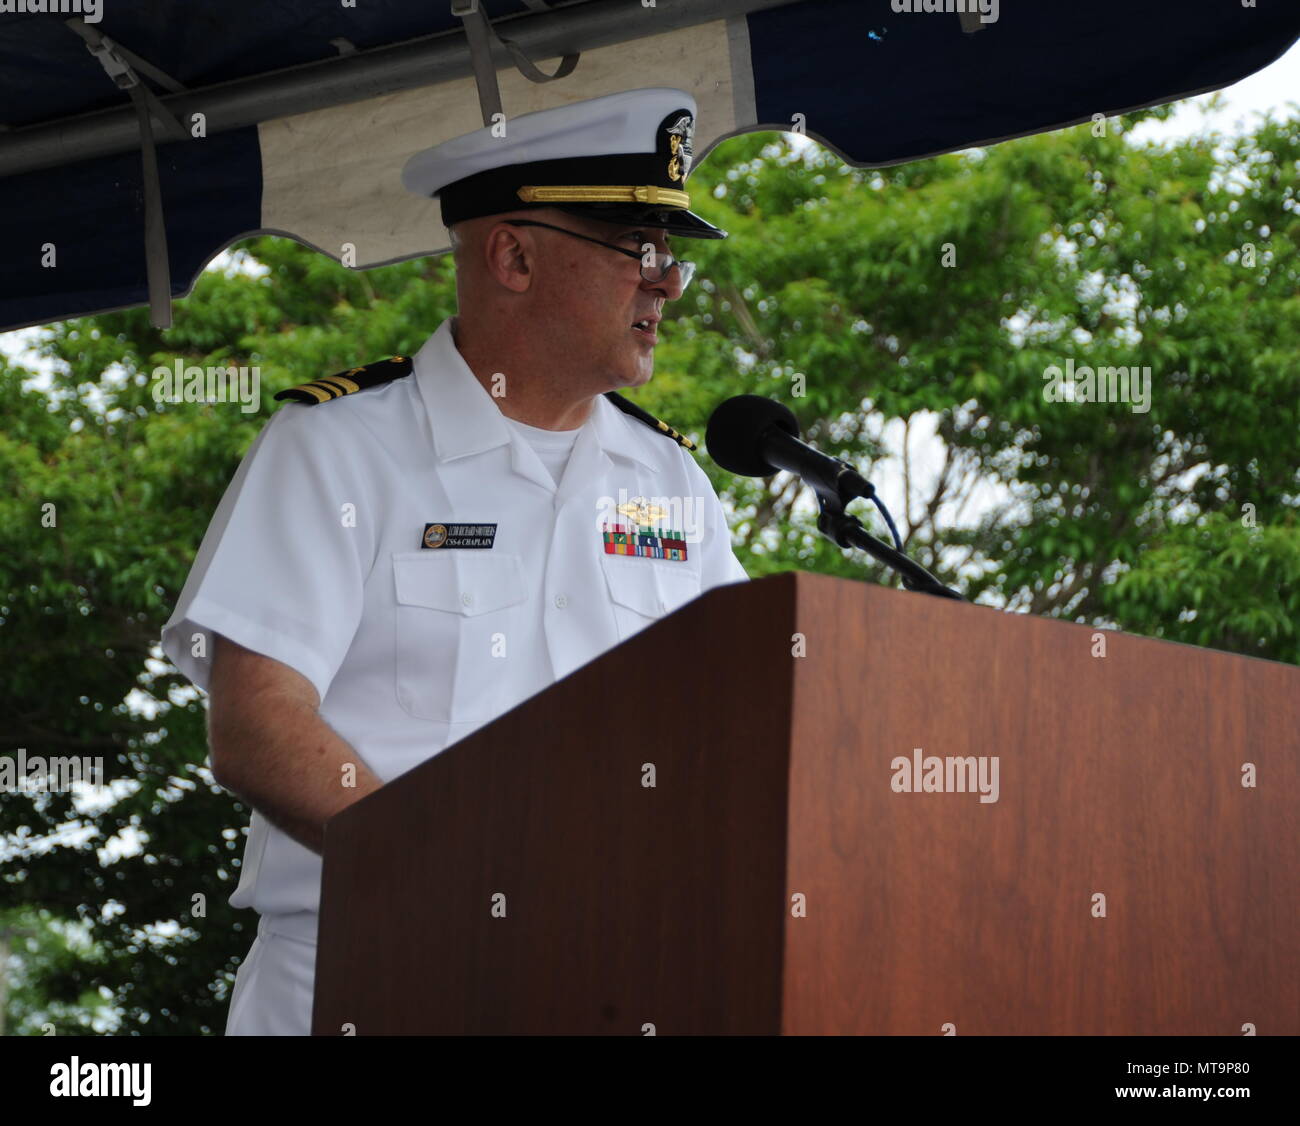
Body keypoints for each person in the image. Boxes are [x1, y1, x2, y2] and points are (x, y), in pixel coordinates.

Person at [160, 87, 748, 1036]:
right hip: (374, 969)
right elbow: (259, 727)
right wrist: (479, 883)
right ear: (512, 255)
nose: (668, 282)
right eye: (638, 249)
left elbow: (741, 730)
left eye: (669, 253)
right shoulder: (340, 449)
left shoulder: (670, 479)